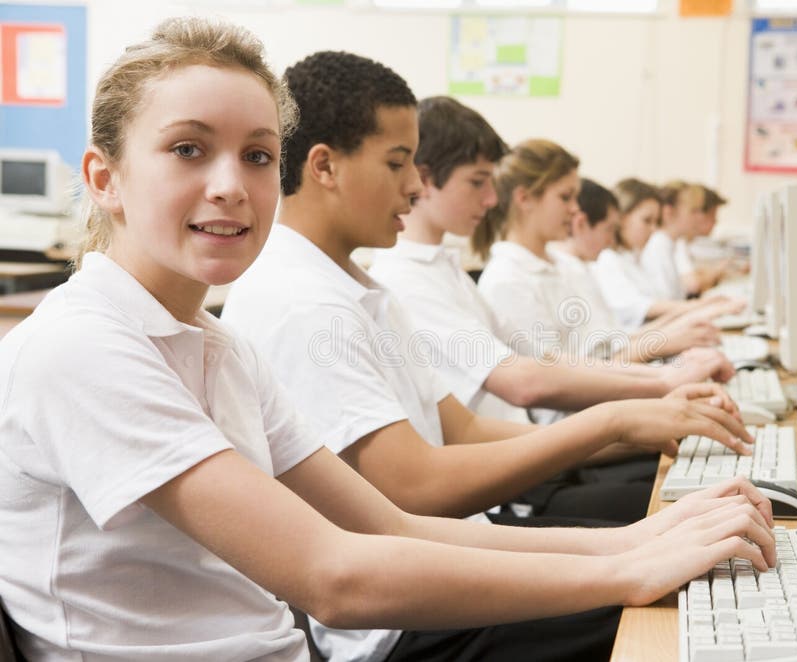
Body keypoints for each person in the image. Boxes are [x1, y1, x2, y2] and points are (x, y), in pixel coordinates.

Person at [0, 21, 776, 662]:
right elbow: (332, 575)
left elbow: (388, 526)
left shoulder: (217, 347)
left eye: (258, 155)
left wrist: (635, 545)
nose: (232, 183)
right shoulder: (84, 346)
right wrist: (628, 569)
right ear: (103, 179)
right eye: (188, 149)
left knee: (700, 603)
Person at [219, 49, 764, 661]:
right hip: (402, 628)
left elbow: (465, 429)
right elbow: (416, 489)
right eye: (399, 164)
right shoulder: (303, 304)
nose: (415, 186)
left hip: (446, 554)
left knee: (694, 566)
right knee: (693, 605)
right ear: (324, 166)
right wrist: (620, 426)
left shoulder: (361, 288)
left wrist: (636, 531)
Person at [369, 97, 734, 428]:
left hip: (533, 444)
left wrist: (662, 381)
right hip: (527, 458)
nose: (492, 198)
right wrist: (660, 385)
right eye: (478, 183)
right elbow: (526, 384)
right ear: (426, 179)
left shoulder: (446, 269)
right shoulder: (413, 279)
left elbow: (545, 360)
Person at [474, 140, 724, 366]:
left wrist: (681, 330)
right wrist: (663, 347)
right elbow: (559, 385)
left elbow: (611, 344)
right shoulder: (507, 282)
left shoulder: (566, 265)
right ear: (524, 199)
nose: (574, 209)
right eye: (565, 197)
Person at [594, 178, 735, 329]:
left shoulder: (633, 257)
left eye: (655, 221)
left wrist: (701, 308)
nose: (654, 229)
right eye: (647, 221)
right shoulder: (608, 259)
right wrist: (700, 307)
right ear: (621, 217)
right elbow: (641, 308)